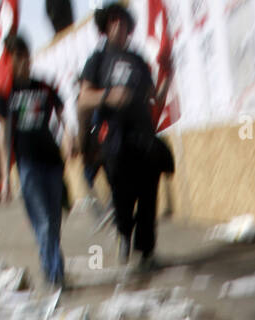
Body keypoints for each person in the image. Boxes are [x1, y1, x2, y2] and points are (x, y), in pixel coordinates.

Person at [77, 4, 173, 271]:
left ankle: (146, 252)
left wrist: (168, 75)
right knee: (122, 193)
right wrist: (108, 96)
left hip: (142, 134)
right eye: (113, 22)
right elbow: (83, 98)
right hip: (114, 139)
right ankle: (123, 232)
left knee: (148, 193)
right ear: (106, 27)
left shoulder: (138, 60)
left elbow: (155, 98)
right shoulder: (97, 60)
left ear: (129, 28)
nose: (118, 27)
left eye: (122, 22)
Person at [0, 34, 69, 288]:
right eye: (17, 58)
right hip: (28, 165)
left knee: (54, 222)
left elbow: (62, 116)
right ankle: (56, 274)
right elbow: (3, 138)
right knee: (43, 222)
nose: (24, 63)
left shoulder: (44, 87)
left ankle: (50, 265)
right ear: (9, 62)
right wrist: (4, 178)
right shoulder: (5, 96)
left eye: (25, 56)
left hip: (52, 161)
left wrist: (69, 136)